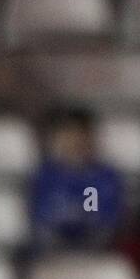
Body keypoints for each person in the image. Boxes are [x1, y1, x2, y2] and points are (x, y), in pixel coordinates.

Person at [29, 106, 124, 252]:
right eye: (68, 133)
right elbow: (40, 222)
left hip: (95, 254)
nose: (75, 140)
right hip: (51, 255)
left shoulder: (104, 178)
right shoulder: (44, 177)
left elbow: (104, 223)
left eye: (81, 134)